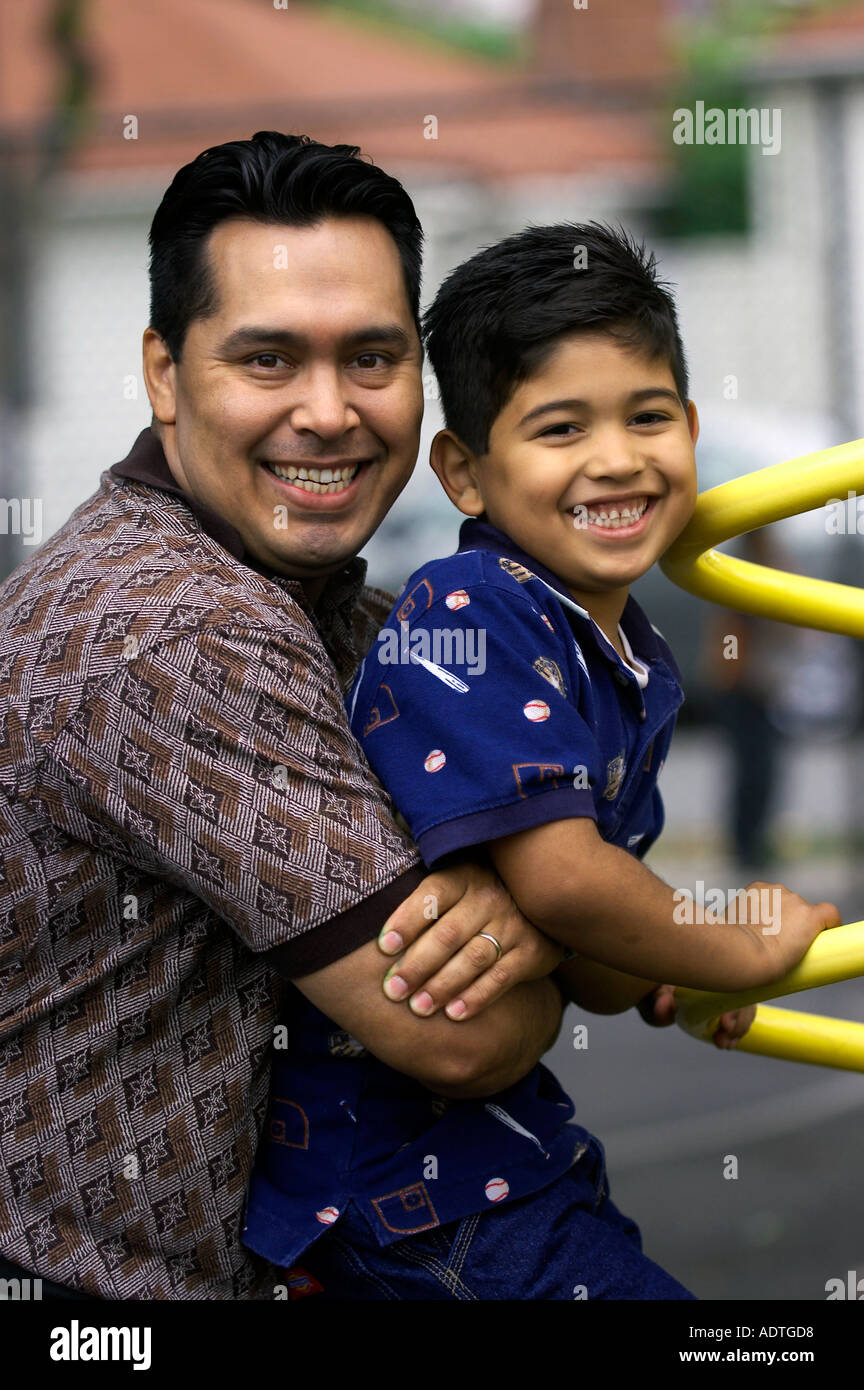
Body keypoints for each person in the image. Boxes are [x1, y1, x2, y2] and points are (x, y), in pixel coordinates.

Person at [0, 131, 570, 1299]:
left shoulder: (341, 613)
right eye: (267, 360)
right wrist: (568, 906)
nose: (329, 413)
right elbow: (467, 1036)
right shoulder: (181, 627)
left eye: (371, 356)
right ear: (164, 374)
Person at [243, 222, 841, 1300]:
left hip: (508, 1163)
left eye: (648, 416)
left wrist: (670, 955)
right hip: (408, 1195)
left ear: (693, 430)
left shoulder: (623, 656)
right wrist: (735, 942)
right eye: (560, 428)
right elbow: (562, 878)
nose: (615, 457)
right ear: (465, 471)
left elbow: (591, 961)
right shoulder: (475, 609)